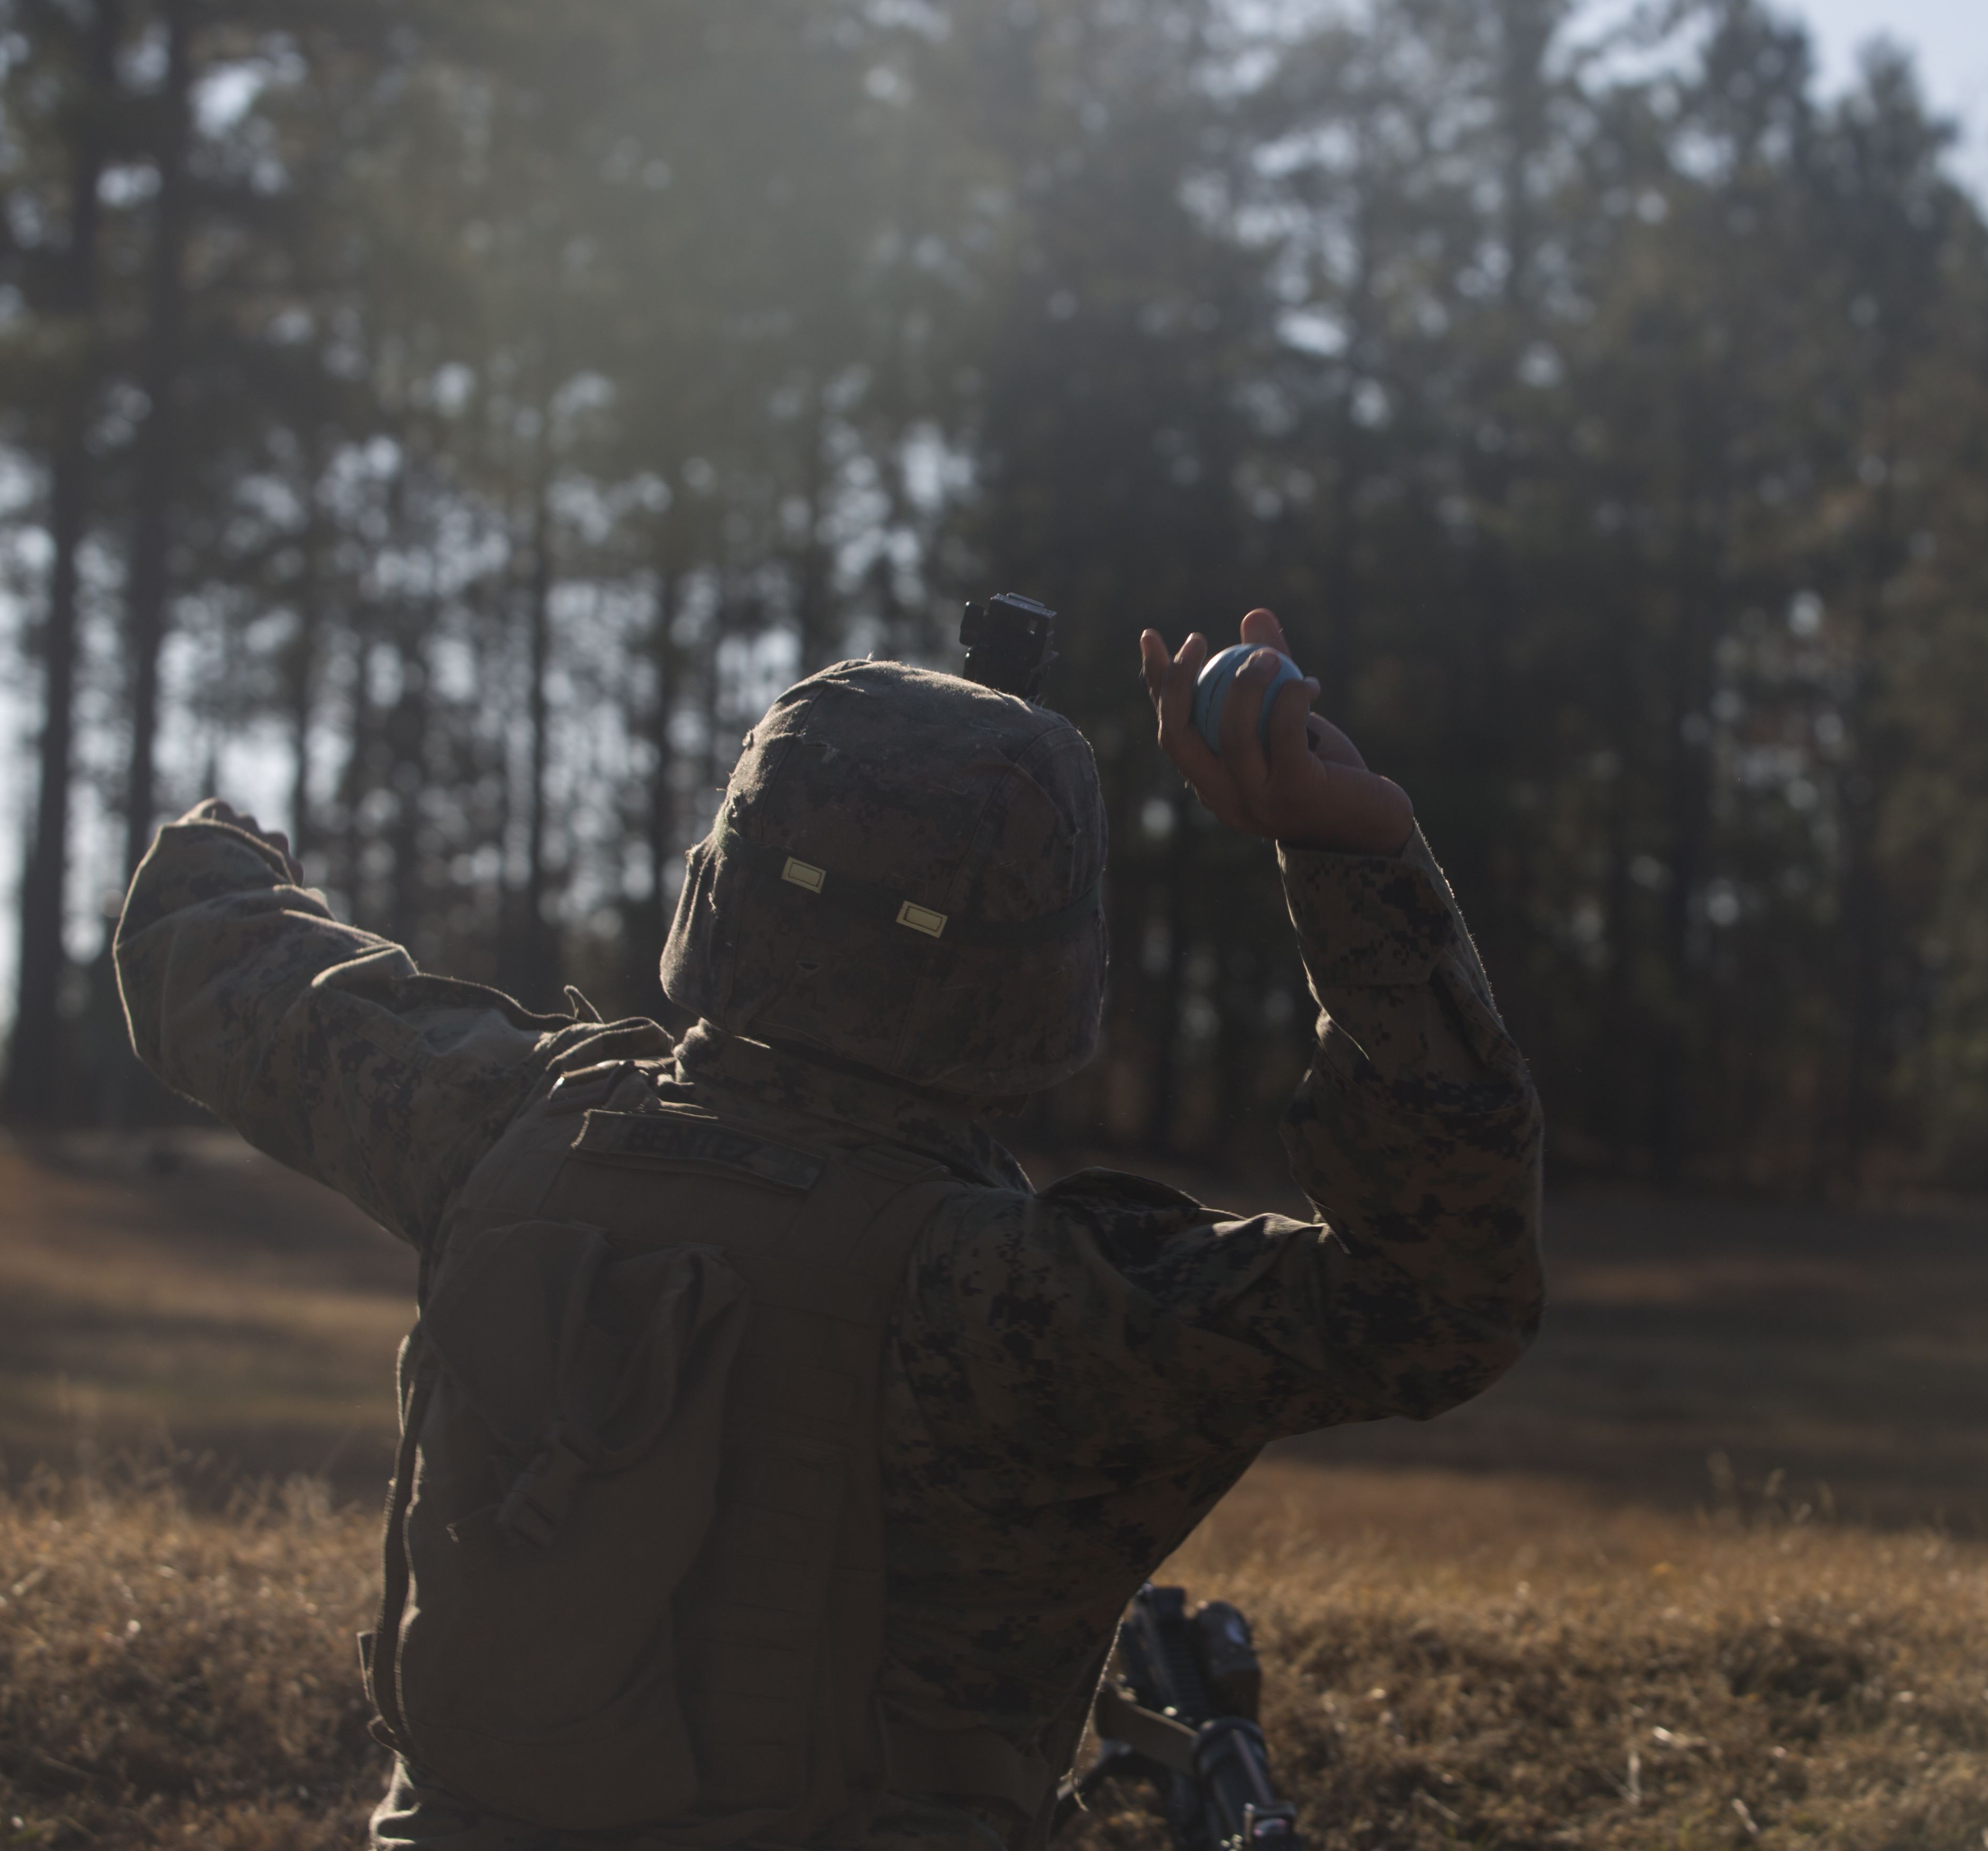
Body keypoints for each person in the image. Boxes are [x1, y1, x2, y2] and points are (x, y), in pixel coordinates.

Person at [111, 609, 1543, 1850]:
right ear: (1049, 972)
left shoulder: (500, 1124)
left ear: (719, 884)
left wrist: (222, 850)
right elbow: (1433, 1292)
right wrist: (1353, 854)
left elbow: (223, 974)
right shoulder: (1033, 1309)